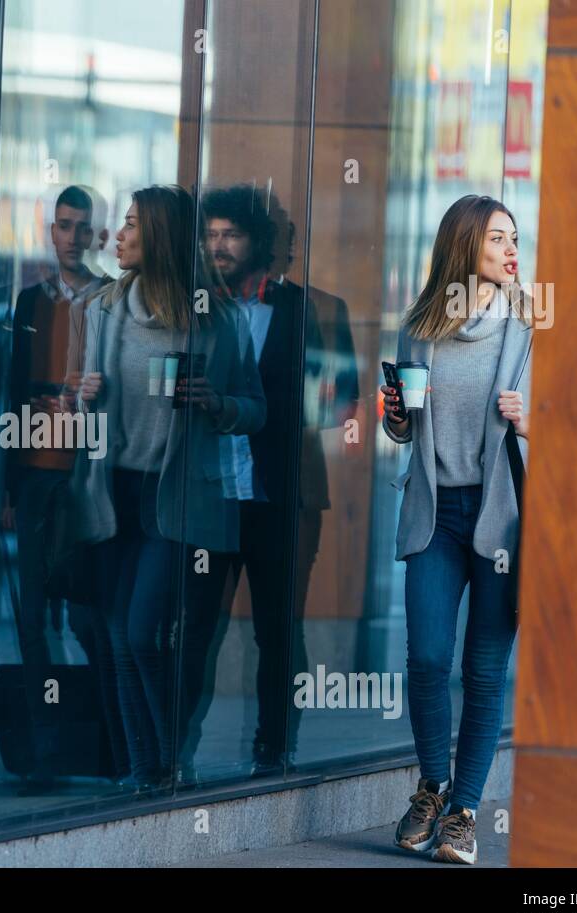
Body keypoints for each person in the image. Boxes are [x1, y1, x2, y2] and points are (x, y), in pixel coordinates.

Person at [65, 185, 265, 791]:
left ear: (159, 236)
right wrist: (82, 396)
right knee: (118, 635)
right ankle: (142, 768)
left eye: (130, 225)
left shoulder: (218, 318)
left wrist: (218, 402)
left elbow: (254, 408)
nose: (117, 237)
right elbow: (77, 401)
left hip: (175, 498)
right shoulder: (101, 310)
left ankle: (170, 761)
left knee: (140, 631)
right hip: (111, 491)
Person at [175, 183, 357, 780]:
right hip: (210, 496)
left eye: (232, 235)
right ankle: (173, 757)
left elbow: (342, 400)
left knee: (278, 631)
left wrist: (313, 403)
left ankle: (272, 752)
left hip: (281, 496)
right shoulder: (193, 308)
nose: (219, 246)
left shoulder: (309, 310)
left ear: (261, 243)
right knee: (197, 628)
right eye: (211, 235)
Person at [382, 194, 532, 864]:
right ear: (464, 245)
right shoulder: (419, 328)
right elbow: (403, 430)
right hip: (435, 514)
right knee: (427, 659)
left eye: (515, 239)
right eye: (498, 237)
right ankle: (431, 787)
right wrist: (394, 417)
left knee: (483, 668)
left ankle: (466, 809)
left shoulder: (530, 326)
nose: (511, 250)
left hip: (501, 516)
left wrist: (531, 420)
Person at [0, 185, 127, 791]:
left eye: (84, 228)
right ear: (50, 231)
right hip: (34, 474)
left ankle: (112, 744)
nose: (73, 236)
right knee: (31, 617)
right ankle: (45, 750)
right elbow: (8, 388)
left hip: (90, 478)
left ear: (99, 237)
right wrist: (4, 487)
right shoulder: (29, 300)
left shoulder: (112, 299)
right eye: (64, 225)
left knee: (87, 617)